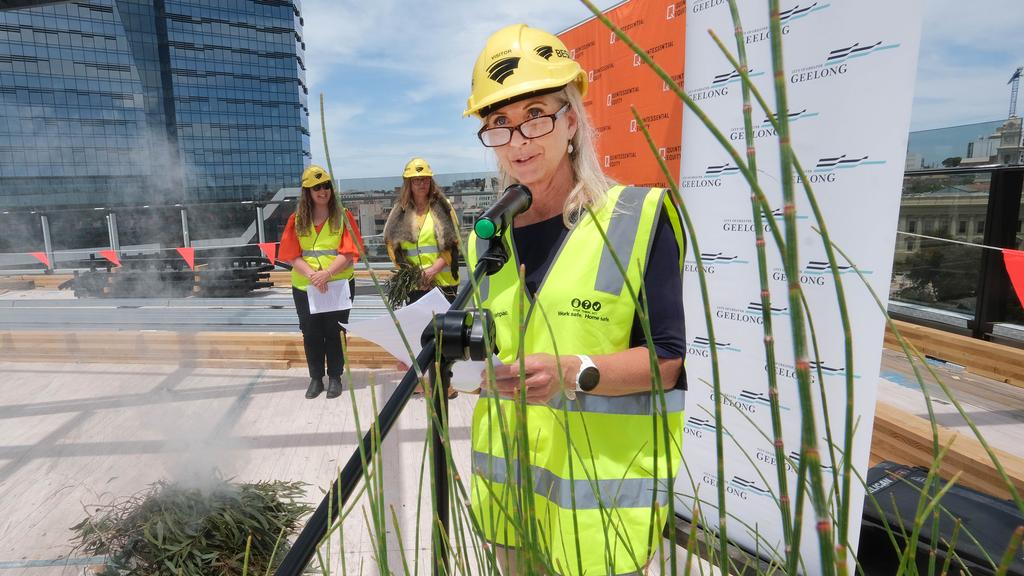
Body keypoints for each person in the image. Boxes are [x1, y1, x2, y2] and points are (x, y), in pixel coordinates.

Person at [463, 24, 687, 575]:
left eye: (535, 115)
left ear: (570, 121)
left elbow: (668, 360)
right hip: (510, 507)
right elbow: (490, 345)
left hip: (598, 514)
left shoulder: (641, 219)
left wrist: (574, 371)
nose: (518, 141)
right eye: (499, 125)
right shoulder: (485, 237)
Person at [278, 165, 363, 400]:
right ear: (307, 191)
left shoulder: (343, 216)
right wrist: (313, 276)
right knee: (311, 332)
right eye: (316, 187)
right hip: (306, 287)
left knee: (335, 331)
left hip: (336, 284)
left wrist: (325, 274)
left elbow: (350, 252)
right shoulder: (296, 220)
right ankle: (316, 378)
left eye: (326, 186)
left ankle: (335, 377)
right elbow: (291, 254)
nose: (322, 191)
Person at [383, 157, 462, 304]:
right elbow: (392, 247)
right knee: (420, 327)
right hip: (415, 284)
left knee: (443, 326)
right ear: (409, 184)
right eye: (416, 180)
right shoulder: (399, 211)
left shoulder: (444, 207)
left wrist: (432, 271)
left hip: (444, 284)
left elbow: (453, 243)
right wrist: (415, 276)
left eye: (425, 179)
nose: (422, 184)